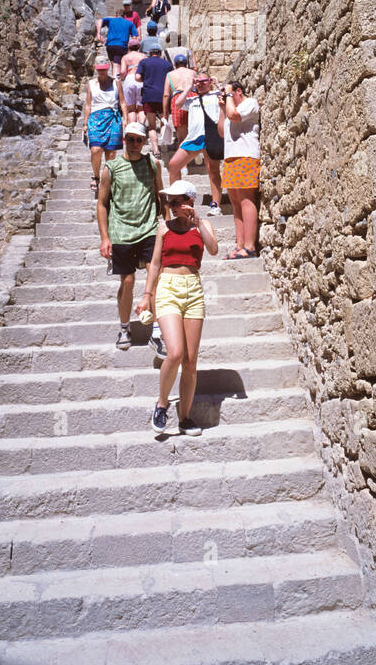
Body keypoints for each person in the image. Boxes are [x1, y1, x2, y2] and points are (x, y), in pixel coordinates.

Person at [136, 180, 218, 436]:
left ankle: (185, 418)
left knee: (191, 361)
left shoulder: (202, 226)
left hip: (193, 288)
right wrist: (146, 296)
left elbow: (213, 249)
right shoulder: (164, 228)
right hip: (168, 287)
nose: (171, 206)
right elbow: (156, 263)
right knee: (175, 353)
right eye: (168, 202)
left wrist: (198, 223)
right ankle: (162, 403)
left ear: (189, 202)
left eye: (175, 202)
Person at [97, 121, 168, 358]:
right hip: (121, 231)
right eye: (131, 139)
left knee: (155, 277)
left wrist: (166, 226)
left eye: (139, 140)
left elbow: (161, 196)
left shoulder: (153, 164)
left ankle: (157, 332)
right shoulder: (111, 168)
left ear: (145, 142)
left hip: (148, 229)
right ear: (124, 139)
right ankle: (125, 328)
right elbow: (102, 203)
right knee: (127, 281)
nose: (135, 144)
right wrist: (105, 237)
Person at [169, 73, 223, 216]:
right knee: (174, 165)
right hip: (193, 138)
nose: (200, 84)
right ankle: (177, 200)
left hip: (211, 137)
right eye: (197, 82)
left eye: (203, 81)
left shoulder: (216, 95)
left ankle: (216, 204)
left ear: (209, 81)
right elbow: (177, 103)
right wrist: (188, 87)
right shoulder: (192, 99)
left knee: (213, 170)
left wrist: (217, 84)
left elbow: (227, 95)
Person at [218, 80, 260, 259]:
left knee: (245, 199)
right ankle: (240, 244)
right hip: (231, 157)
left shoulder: (250, 103)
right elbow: (221, 131)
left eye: (228, 93)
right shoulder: (228, 108)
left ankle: (250, 246)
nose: (225, 96)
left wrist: (228, 96)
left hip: (246, 156)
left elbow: (235, 116)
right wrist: (222, 108)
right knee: (235, 201)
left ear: (238, 91)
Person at [80, 59, 124, 193]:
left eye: (104, 69)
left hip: (113, 117)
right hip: (96, 119)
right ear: (96, 69)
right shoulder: (91, 84)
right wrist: (85, 123)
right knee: (96, 149)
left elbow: (122, 102)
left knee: (111, 153)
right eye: (100, 69)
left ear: (108, 68)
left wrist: (126, 120)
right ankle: (96, 176)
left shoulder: (116, 83)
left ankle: (108, 178)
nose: (102, 72)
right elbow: (88, 104)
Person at [136, 41, 173, 152]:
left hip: (149, 95)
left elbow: (137, 77)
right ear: (160, 53)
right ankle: (164, 145)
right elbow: (172, 79)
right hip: (163, 96)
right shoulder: (167, 64)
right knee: (163, 121)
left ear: (149, 53)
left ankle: (156, 150)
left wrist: (146, 79)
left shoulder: (144, 62)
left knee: (151, 125)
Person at [96, 4, 139, 78]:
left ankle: (116, 79)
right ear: (124, 16)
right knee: (117, 65)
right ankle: (117, 82)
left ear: (115, 15)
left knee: (114, 64)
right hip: (121, 46)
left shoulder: (111, 20)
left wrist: (98, 34)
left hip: (109, 46)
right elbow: (135, 37)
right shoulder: (129, 23)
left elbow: (99, 20)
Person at [164, 52, 195, 148]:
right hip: (193, 96)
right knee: (194, 129)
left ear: (175, 64)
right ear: (186, 64)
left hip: (178, 98)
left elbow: (166, 94)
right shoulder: (193, 73)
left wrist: (165, 113)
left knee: (181, 136)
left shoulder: (170, 74)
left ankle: (183, 162)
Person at [120, 37, 146, 127]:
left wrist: (122, 77)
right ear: (138, 47)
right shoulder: (143, 56)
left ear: (129, 47)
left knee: (131, 109)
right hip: (141, 80)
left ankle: (133, 129)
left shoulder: (125, 57)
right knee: (141, 109)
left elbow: (123, 72)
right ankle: (142, 128)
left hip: (130, 79)